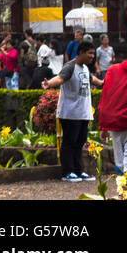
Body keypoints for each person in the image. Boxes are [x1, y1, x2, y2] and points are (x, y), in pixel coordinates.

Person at [45, 41, 104, 182]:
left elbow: (92, 79)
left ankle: (78, 171)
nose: (92, 56)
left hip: (83, 113)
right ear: (80, 52)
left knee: (79, 143)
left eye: (93, 53)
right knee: (69, 142)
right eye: (89, 53)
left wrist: (102, 83)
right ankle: (67, 172)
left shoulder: (84, 68)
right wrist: (49, 83)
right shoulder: (70, 67)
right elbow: (60, 78)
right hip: (70, 113)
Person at [98, 37, 127, 177]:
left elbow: (106, 98)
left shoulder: (113, 70)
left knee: (121, 167)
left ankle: (123, 195)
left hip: (114, 124)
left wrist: (103, 126)